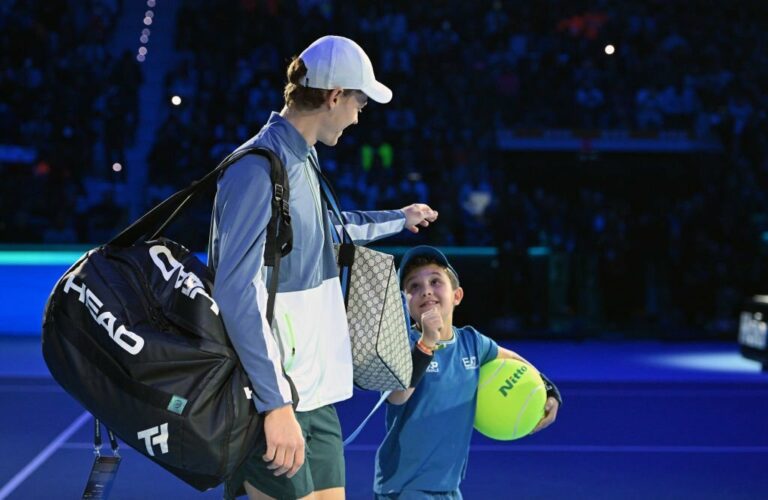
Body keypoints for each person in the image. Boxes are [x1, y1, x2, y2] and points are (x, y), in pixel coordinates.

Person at [208, 36, 439, 500]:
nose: (358, 116)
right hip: (271, 398)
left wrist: (399, 218)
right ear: (334, 96)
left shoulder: (302, 159)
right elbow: (235, 294)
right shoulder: (257, 169)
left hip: (314, 396)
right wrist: (275, 407)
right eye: (358, 102)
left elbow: (330, 230)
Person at [374, 246, 562, 499]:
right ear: (405, 303)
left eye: (435, 281)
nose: (426, 290)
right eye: (413, 287)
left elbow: (520, 362)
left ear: (457, 295)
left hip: (449, 487)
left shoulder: (472, 342)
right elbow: (397, 396)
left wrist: (550, 392)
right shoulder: (400, 343)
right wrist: (426, 344)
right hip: (404, 487)